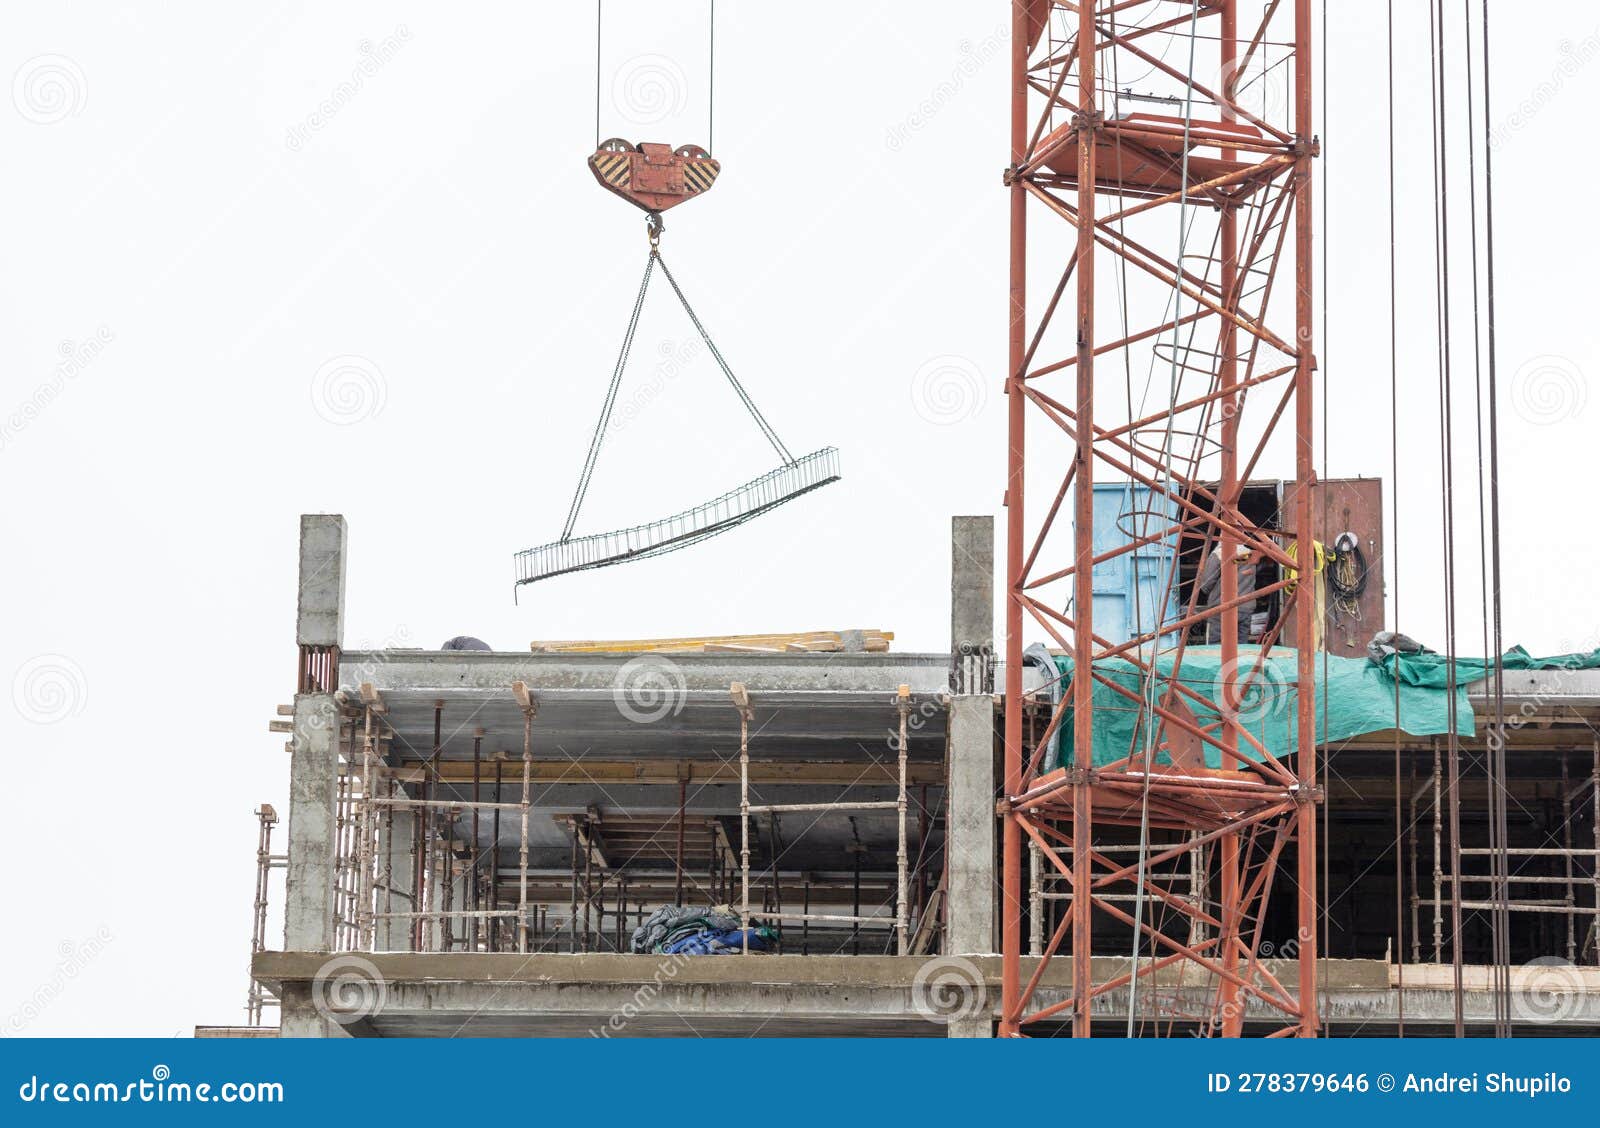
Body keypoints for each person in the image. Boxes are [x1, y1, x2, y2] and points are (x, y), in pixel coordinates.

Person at [1195, 542, 1256, 644]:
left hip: (1222, 608)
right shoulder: (1250, 554)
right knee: (1241, 646)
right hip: (1245, 608)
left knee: (1216, 646)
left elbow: (1206, 585)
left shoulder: (1219, 553)